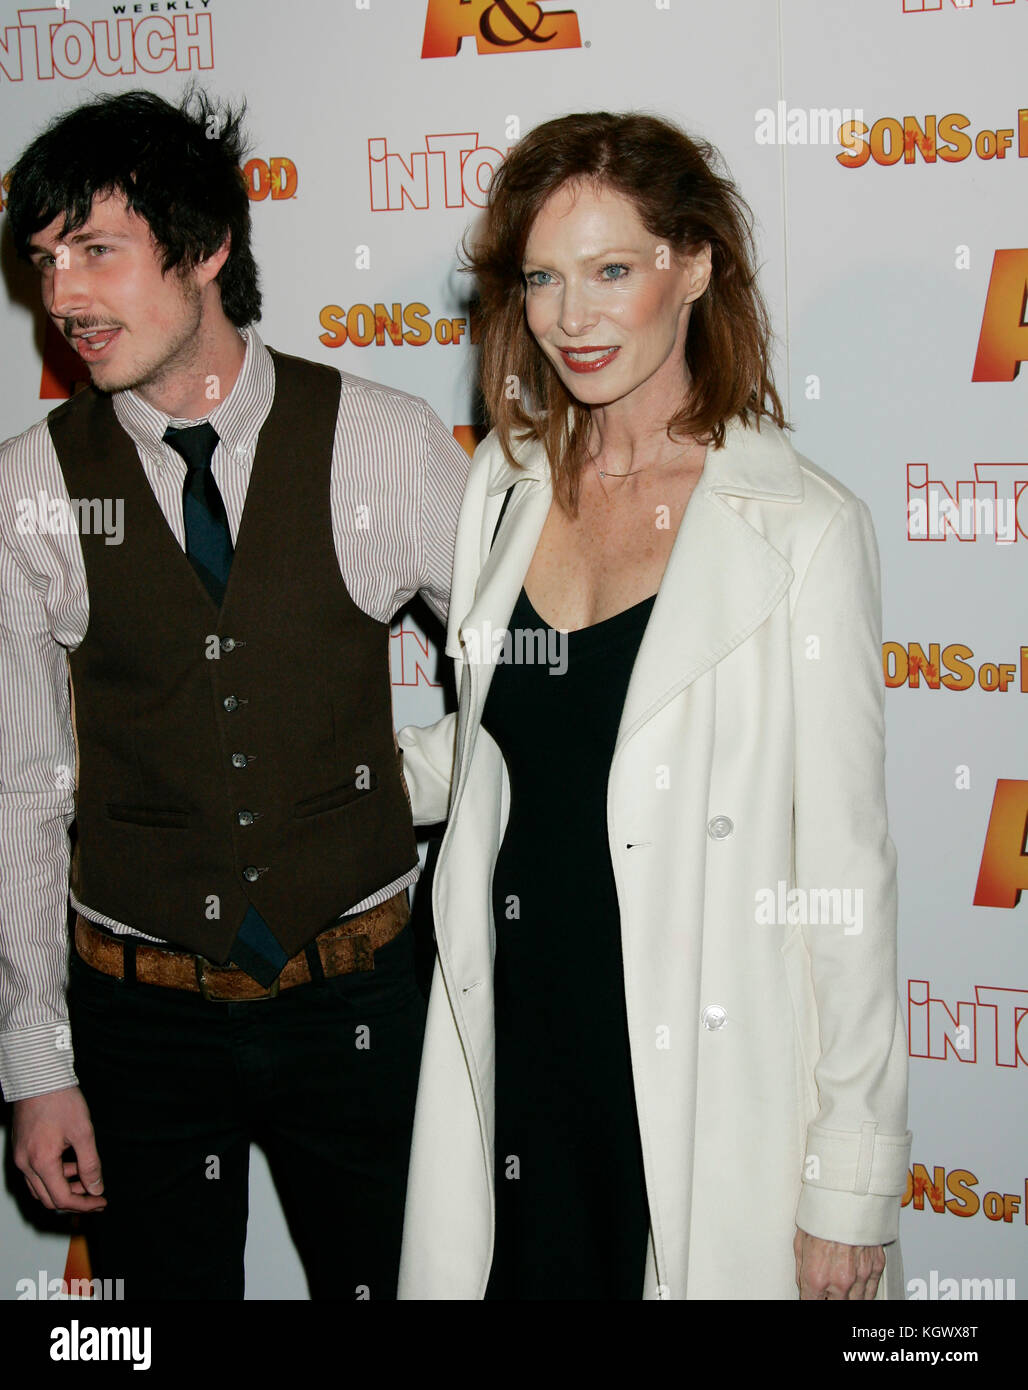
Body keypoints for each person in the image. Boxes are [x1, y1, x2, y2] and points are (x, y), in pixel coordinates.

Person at [396, 111, 911, 1300]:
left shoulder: (799, 529)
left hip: (695, 1073)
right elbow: (500, 751)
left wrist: (847, 1187)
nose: (569, 319)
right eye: (540, 278)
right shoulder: (503, 483)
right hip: (515, 1048)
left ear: (693, 265)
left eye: (610, 271)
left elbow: (846, 879)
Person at [0, 88, 469, 1300]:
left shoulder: (382, 440)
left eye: (96, 251)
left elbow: (525, 693)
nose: (61, 298)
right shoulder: (31, 490)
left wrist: (394, 783)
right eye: (45, 260)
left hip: (362, 999)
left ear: (205, 247)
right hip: (137, 1014)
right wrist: (36, 1062)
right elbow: (20, 786)